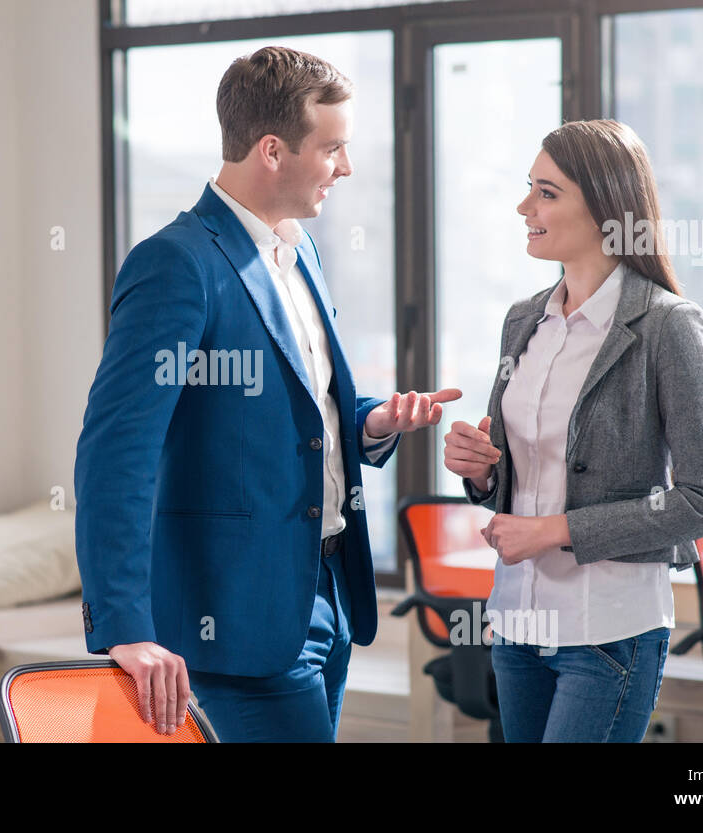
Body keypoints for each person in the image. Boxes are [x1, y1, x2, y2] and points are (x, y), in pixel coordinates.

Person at [74, 45, 459, 742]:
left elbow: (291, 416)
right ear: (273, 151)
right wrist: (124, 627)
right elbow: (116, 451)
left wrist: (369, 423)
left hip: (328, 598)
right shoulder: (176, 264)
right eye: (333, 149)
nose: (346, 168)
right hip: (234, 619)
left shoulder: (300, 249)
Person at [442, 119, 703, 742]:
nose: (525, 207)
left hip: (608, 631)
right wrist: (483, 471)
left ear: (607, 209)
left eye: (547, 193)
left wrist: (556, 532)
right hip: (517, 624)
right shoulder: (524, 320)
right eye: (529, 188)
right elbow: (520, 482)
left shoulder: (667, 326)